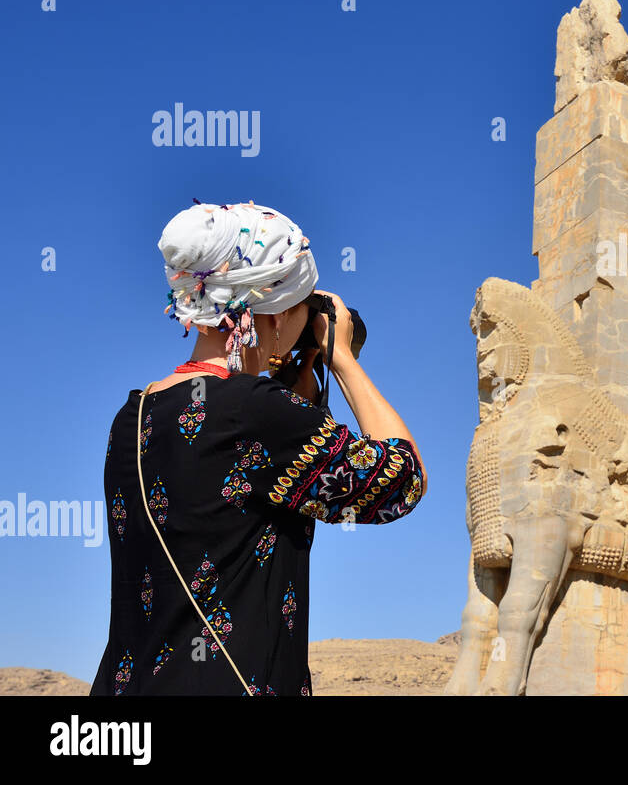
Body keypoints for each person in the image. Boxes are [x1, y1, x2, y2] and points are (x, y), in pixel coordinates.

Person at [89, 200, 426, 695]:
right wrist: (342, 361)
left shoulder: (131, 417)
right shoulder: (257, 414)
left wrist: (294, 399)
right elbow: (401, 479)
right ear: (275, 310)